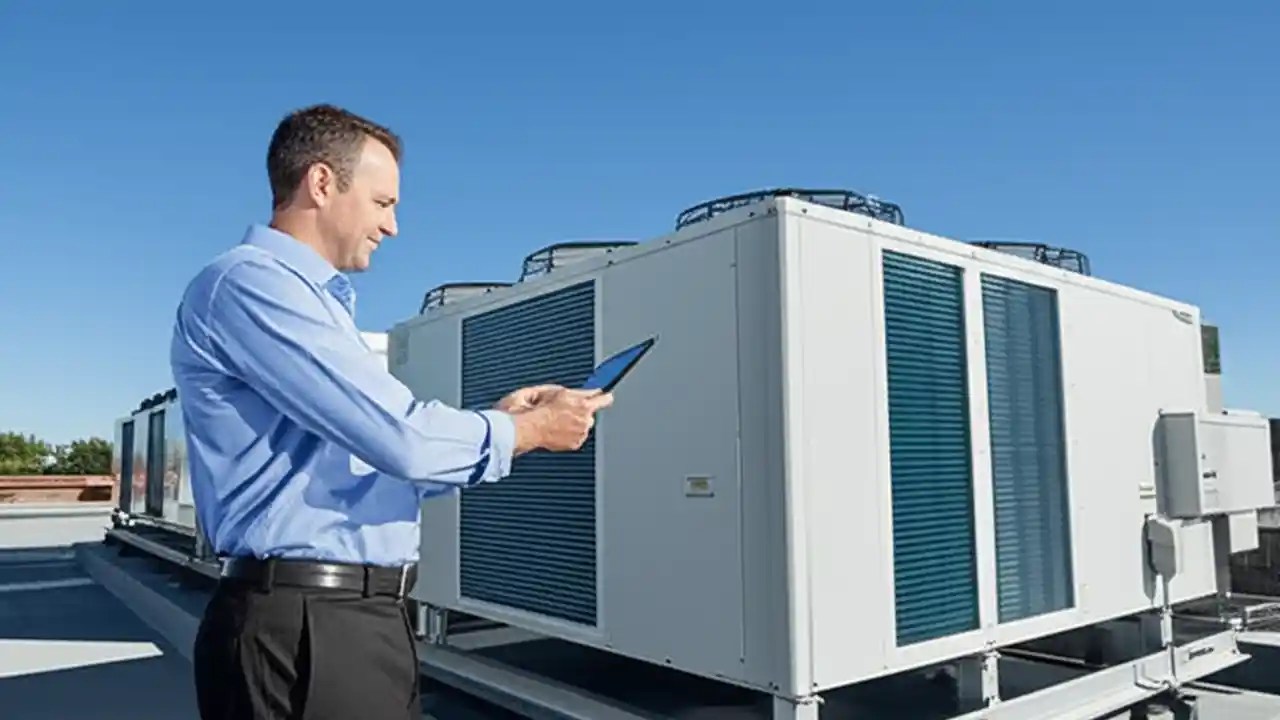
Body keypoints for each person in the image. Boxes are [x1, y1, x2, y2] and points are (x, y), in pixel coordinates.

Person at [170, 103, 613, 720]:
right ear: (322, 183)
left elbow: (381, 463)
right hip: (303, 627)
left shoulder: (311, 305)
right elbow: (402, 440)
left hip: (349, 621)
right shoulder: (250, 285)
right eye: (384, 203)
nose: (394, 226)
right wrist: (528, 428)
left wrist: (506, 423)